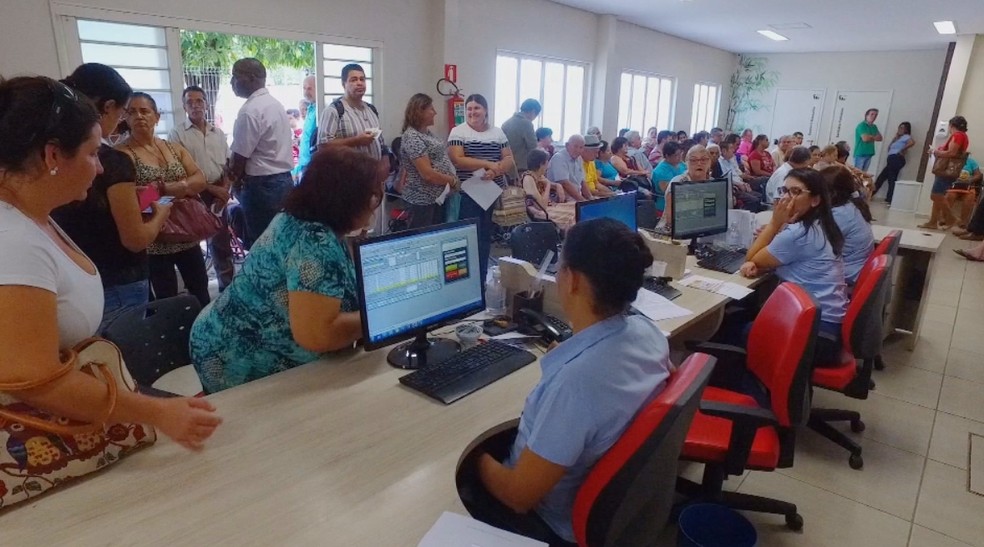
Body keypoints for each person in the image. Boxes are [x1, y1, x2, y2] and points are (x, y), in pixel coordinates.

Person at [0, 75, 221, 450]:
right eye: (91, 154)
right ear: (53, 156)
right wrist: (157, 412)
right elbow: (39, 382)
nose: (100, 167)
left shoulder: (35, 217)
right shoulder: (15, 243)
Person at [462, 218, 670, 546]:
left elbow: (519, 496)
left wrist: (471, 456)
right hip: (613, 501)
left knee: (457, 469)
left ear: (571, 280)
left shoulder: (576, 385)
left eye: (560, 267)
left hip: (545, 521)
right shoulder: (649, 333)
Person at [190, 147, 380, 393]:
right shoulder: (315, 241)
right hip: (234, 352)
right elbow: (318, 334)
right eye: (372, 195)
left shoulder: (302, 218)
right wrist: (378, 316)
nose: (375, 203)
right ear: (347, 198)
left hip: (229, 334)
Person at [50, 64, 170, 331]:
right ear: (108, 107)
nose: (130, 118)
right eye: (126, 112)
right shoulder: (115, 160)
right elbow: (134, 239)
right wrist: (160, 215)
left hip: (79, 275)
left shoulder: (53, 157)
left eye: (144, 111)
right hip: (117, 279)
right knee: (118, 357)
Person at [740, 168, 848, 366]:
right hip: (829, 324)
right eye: (785, 190)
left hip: (816, 332)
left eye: (795, 192)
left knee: (735, 329)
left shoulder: (798, 234)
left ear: (815, 200)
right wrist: (767, 264)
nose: (785, 198)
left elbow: (752, 257)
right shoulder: (821, 223)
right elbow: (777, 261)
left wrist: (774, 223)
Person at [117, 93, 210, 307]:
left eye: (144, 111)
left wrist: (179, 187)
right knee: (165, 296)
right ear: (125, 118)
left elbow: (200, 179)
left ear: (157, 116)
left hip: (186, 232)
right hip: (153, 238)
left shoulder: (173, 148)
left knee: (200, 289)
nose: (138, 116)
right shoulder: (121, 154)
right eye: (132, 112)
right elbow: (128, 198)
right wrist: (168, 189)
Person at [168, 85, 235, 292]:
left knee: (221, 243)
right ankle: (195, 294)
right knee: (192, 247)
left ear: (206, 104)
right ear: (184, 106)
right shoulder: (177, 134)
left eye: (199, 101)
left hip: (219, 193)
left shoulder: (218, 133)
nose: (195, 106)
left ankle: (228, 291)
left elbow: (228, 165)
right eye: (190, 102)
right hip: (192, 195)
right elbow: (178, 172)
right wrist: (211, 190)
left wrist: (224, 190)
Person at [227, 58, 295, 249]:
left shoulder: (250, 110)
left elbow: (239, 158)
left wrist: (233, 179)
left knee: (263, 248)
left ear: (251, 78)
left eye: (235, 76)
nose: (231, 82)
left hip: (262, 188)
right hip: (284, 182)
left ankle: (265, 279)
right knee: (282, 243)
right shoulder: (275, 104)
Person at [447, 93, 514, 285]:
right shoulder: (458, 131)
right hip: (468, 194)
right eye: (469, 108)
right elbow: (457, 159)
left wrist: (496, 171)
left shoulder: (497, 132)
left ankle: (481, 279)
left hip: (491, 192)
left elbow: (509, 159)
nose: (472, 112)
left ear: (485, 111)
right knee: (466, 238)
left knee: (485, 238)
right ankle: (464, 282)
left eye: (477, 108)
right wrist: (488, 164)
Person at [399, 93, 458, 228]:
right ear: (420, 111)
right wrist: (452, 181)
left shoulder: (426, 133)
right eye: (431, 109)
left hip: (436, 198)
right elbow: (427, 174)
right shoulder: (412, 137)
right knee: (422, 241)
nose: (435, 112)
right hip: (421, 200)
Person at [318, 63, 385, 160]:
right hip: (347, 173)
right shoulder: (333, 111)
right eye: (354, 80)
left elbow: (381, 142)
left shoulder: (371, 109)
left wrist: (385, 161)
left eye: (362, 79)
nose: (359, 83)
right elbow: (323, 146)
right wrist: (356, 141)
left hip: (372, 172)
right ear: (343, 84)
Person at [820, 165, 874, 285]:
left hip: (847, 274)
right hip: (856, 268)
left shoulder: (838, 214)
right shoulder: (852, 206)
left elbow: (811, 245)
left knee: (786, 269)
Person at [919, 116, 970, 230]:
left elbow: (952, 152)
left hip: (946, 170)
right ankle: (933, 221)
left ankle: (951, 217)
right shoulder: (963, 136)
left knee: (936, 195)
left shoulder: (957, 135)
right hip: (949, 170)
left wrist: (936, 152)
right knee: (939, 195)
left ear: (952, 126)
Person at [659, 145, 714, 230]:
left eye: (703, 159)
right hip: (674, 230)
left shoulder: (712, 183)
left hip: (703, 228)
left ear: (710, 162)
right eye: (693, 160)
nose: (699, 163)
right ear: (686, 163)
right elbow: (670, 220)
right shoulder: (678, 183)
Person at [521, 149, 574, 229]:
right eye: (547, 162)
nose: (548, 166)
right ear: (541, 164)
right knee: (572, 215)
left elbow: (550, 184)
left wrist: (558, 186)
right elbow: (541, 206)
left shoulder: (539, 175)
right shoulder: (529, 179)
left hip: (550, 205)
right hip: (540, 210)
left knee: (576, 206)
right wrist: (548, 185)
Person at [872, 122, 914, 203]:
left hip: (896, 159)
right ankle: (876, 195)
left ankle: (889, 199)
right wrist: (895, 138)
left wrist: (902, 149)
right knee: (883, 177)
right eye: (899, 127)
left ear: (906, 129)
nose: (900, 129)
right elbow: (889, 148)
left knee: (890, 179)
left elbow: (912, 142)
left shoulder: (906, 137)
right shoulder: (898, 138)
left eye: (902, 128)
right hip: (892, 158)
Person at [501, 98, 541, 182]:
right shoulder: (527, 123)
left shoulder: (506, 123)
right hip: (521, 169)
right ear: (533, 111)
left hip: (506, 167)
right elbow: (533, 148)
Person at [719, 139, 763, 211]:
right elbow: (727, 179)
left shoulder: (731, 160)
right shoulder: (720, 163)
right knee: (754, 200)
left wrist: (744, 183)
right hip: (733, 188)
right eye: (731, 148)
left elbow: (738, 174)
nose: (733, 150)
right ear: (724, 151)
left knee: (759, 196)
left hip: (741, 184)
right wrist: (740, 184)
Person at [547, 134, 588, 202]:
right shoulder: (559, 158)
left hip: (576, 199)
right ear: (567, 145)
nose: (578, 150)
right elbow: (564, 183)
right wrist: (582, 201)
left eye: (581, 147)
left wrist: (590, 198)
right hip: (561, 200)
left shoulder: (579, 158)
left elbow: (582, 182)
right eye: (575, 146)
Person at [651, 141, 687, 214]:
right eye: (676, 155)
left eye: (681, 153)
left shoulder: (682, 164)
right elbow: (667, 190)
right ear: (667, 156)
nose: (680, 157)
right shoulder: (660, 171)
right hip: (666, 205)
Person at [293, 75, 317, 179]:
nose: (306, 92)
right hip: (304, 163)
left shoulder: (321, 110)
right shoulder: (310, 109)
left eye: (310, 88)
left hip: (313, 164)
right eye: (304, 88)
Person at [580, 134, 613, 199]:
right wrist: (606, 195)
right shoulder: (578, 164)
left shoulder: (592, 162)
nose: (597, 156)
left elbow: (596, 183)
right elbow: (584, 190)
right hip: (586, 196)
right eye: (595, 152)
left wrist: (612, 193)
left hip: (595, 195)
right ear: (584, 150)